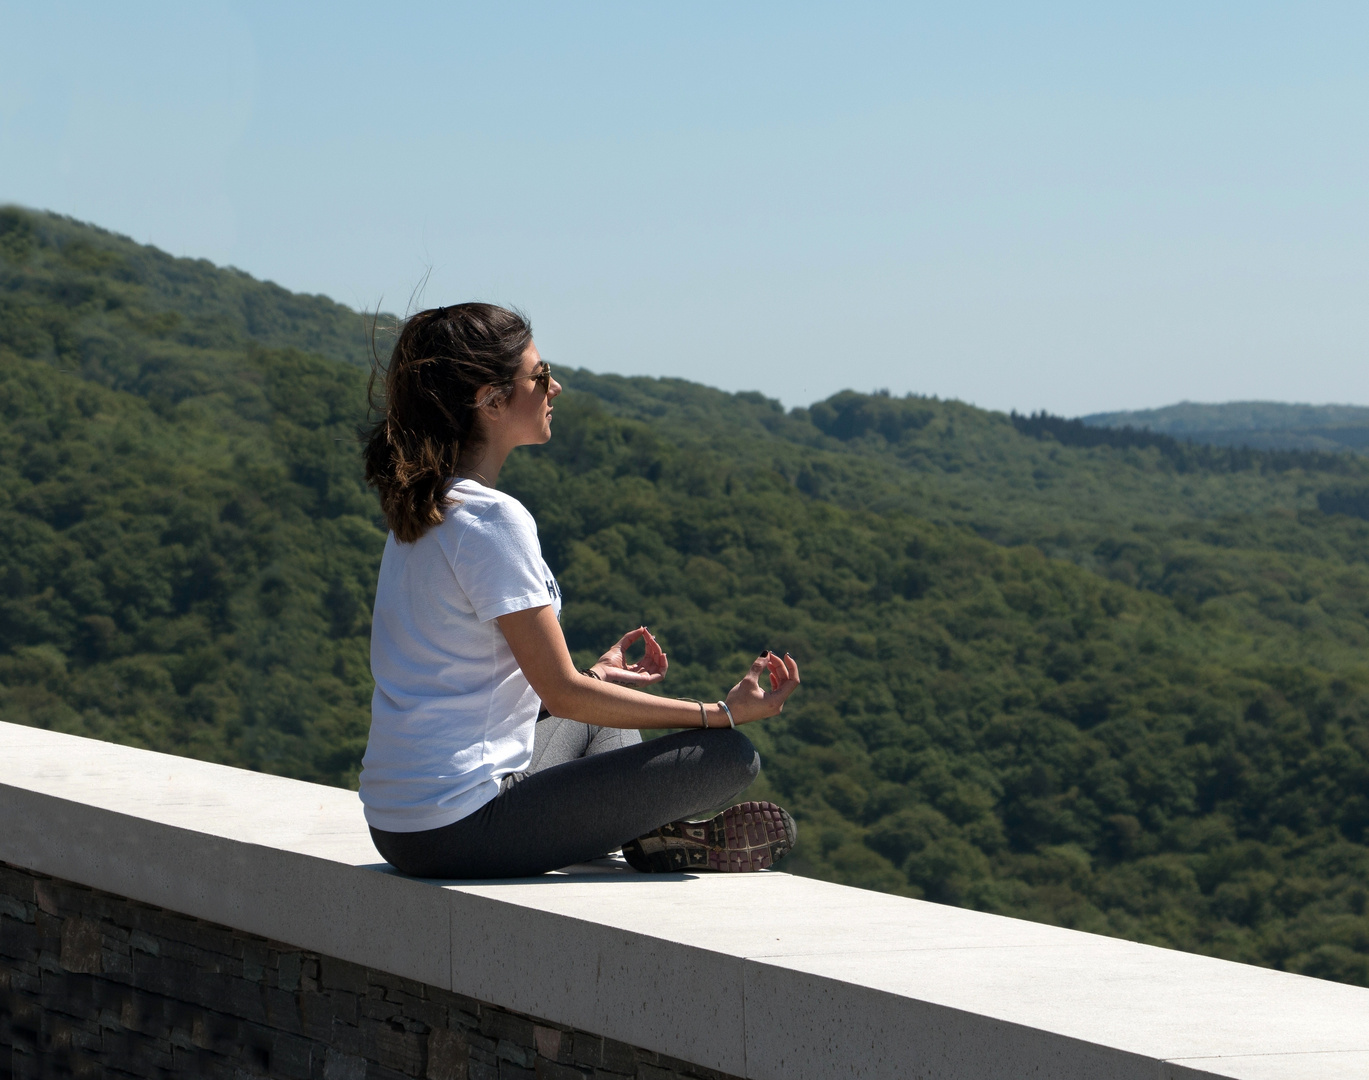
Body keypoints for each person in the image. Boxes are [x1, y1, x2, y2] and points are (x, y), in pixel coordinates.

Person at [359, 302, 801, 879]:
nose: (554, 387)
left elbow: (478, 687)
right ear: (491, 401)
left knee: (605, 711)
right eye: (539, 376)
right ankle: (648, 835)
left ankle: (644, 834)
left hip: (400, 823)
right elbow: (564, 695)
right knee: (729, 757)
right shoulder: (493, 521)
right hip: (459, 828)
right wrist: (721, 712)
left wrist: (594, 679)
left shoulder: (424, 510)